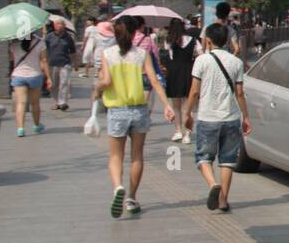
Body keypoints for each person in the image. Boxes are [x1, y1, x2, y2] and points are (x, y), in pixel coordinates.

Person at [95, 15, 176, 217]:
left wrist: (97, 88)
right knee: (137, 156)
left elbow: (105, 81)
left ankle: (117, 188)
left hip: (117, 110)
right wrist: (167, 105)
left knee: (116, 155)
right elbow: (155, 81)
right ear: (134, 33)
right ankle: (131, 198)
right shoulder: (141, 54)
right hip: (139, 110)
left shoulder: (108, 54)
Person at [185, 22, 251, 212]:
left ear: (208, 40)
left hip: (208, 117)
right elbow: (239, 93)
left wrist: (187, 113)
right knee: (228, 160)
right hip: (231, 118)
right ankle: (223, 200)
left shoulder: (202, 61)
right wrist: (246, 117)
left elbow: (194, 91)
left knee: (204, 158)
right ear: (226, 41)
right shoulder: (236, 62)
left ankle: (213, 184)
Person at [9, 28, 51, 137]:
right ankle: (37, 126)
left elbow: (11, 59)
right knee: (35, 103)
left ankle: (20, 129)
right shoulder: (40, 42)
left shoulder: (14, 43)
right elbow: (44, 60)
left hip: (18, 75)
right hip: (35, 75)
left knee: (21, 103)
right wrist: (49, 77)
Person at [163, 17, 199, 143]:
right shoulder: (193, 40)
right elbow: (200, 53)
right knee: (188, 106)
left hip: (174, 73)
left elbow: (169, 56)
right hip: (189, 72)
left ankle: (178, 131)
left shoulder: (168, 41)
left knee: (176, 106)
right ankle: (188, 134)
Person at [45, 17, 76, 111]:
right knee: (54, 85)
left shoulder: (68, 37)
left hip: (65, 63)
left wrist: (75, 63)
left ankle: (62, 102)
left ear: (64, 26)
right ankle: (57, 101)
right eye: (58, 24)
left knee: (64, 83)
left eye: (62, 24)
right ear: (54, 26)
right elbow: (44, 50)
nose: (60, 26)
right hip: (52, 63)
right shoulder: (49, 36)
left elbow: (73, 51)